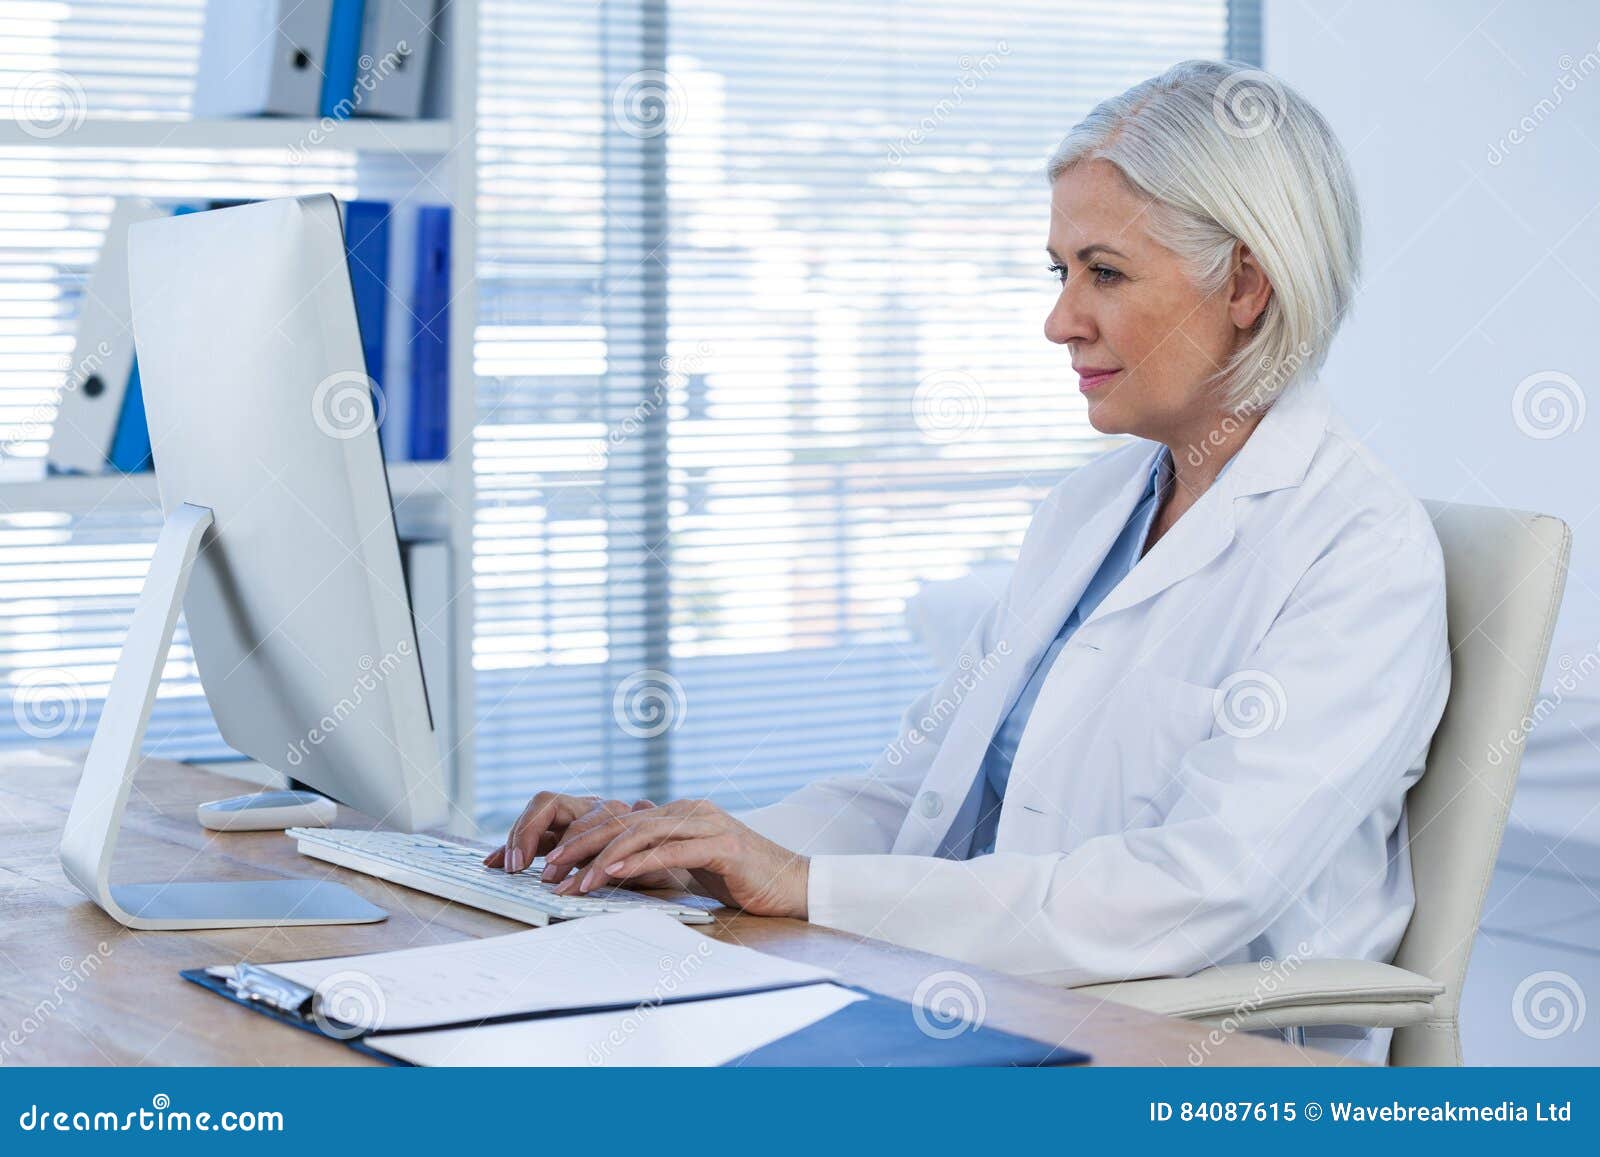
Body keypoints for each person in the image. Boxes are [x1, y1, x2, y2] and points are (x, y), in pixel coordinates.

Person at [485, 59, 1450, 1066]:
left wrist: (800, 882)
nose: (1060, 318)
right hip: (974, 1003)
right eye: (1059, 271)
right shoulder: (1091, 508)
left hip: (1181, 1055)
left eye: (1104, 272)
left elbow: (1198, 887)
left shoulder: (1358, 553)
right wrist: (689, 847)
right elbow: (915, 798)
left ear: (1244, 282)